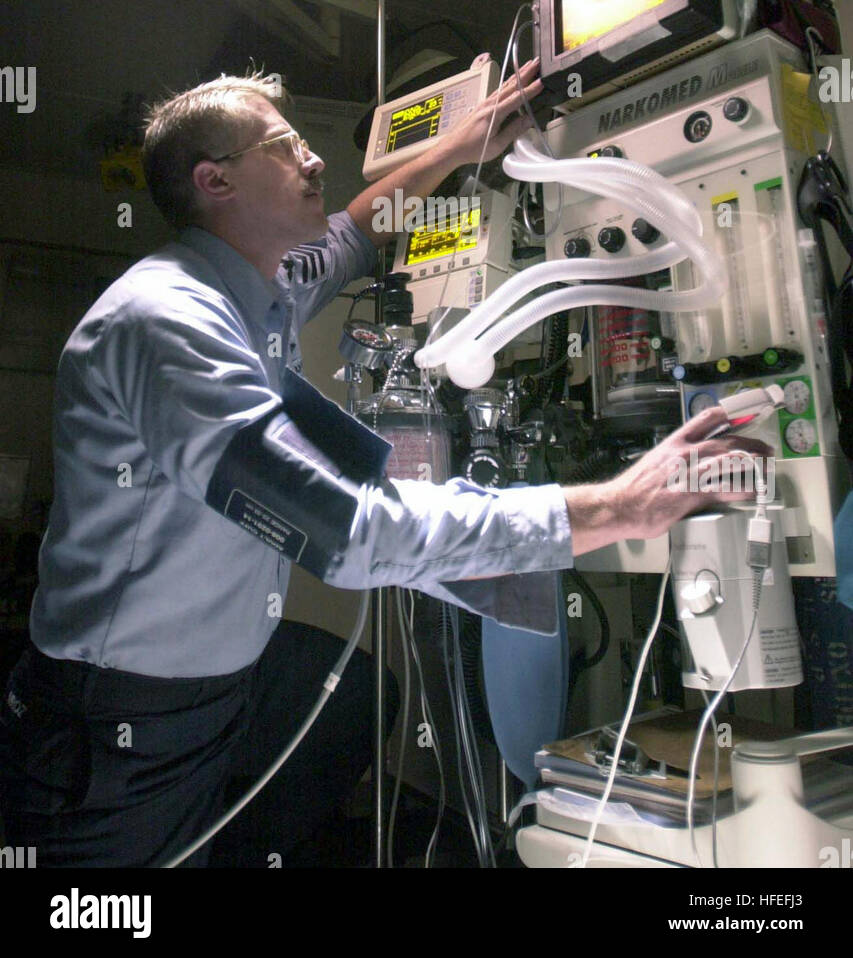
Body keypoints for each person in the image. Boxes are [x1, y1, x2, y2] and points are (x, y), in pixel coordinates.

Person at [0, 60, 770, 867]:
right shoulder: (168, 323)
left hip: (224, 681)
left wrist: (458, 145)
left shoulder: (253, 284)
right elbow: (340, 530)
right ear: (214, 180)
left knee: (354, 696)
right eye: (285, 145)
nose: (315, 159)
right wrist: (617, 505)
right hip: (116, 721)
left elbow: (355, 235)